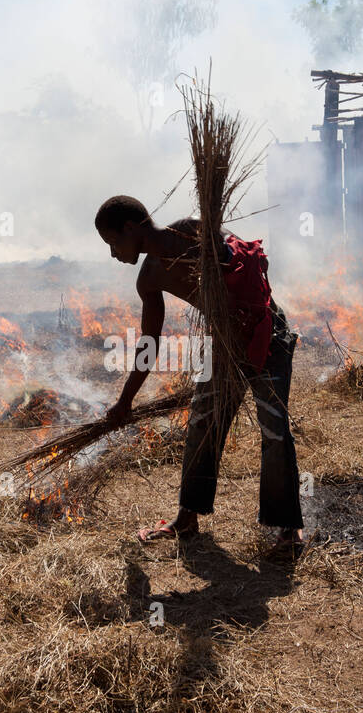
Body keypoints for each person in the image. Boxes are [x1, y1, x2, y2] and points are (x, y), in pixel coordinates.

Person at [94, 194, 303, 550]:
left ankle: (287, 527)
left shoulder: (193, 230)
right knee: (203, 422)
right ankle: (187, 517)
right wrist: (125, 401)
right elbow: (149, 344)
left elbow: (250, 266)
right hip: (224, 345)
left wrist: (213, 257)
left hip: (265, 334)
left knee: (274, 427)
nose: (114, 254)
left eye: (114, 243)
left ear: (131, 229)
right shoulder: (149, 278)